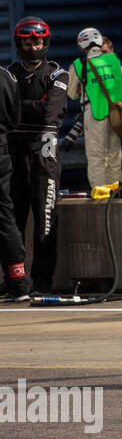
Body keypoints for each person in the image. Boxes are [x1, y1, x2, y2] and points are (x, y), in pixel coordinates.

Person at [6, 16, 68, 299]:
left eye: (38, 40)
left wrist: (21, 109)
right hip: (13, 156)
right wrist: (33, 106)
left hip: (44, 157)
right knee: (11, 221)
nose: (33, 45)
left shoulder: (58, 74)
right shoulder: (9, 74)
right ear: (20, 42)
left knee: (45, 221)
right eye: (28, 40)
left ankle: (42, 282)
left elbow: (49, 114)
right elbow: (8, 113)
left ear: (45, 41)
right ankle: (13, 280)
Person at [66, 27, 122, 189]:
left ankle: (101, 195)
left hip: (93, 114)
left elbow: (72, 94)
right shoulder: (113, 60)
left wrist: (83, 87)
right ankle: (115, 193)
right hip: (116, 114)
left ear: (81, 46)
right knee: (114, 156)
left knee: (96, 157)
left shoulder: (79, 64)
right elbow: (120, 80)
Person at [0, 63, 28, 303]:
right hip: (1, 151)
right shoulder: (6, 76)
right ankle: (18, 283)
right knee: (4, 215)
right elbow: (14, 118)